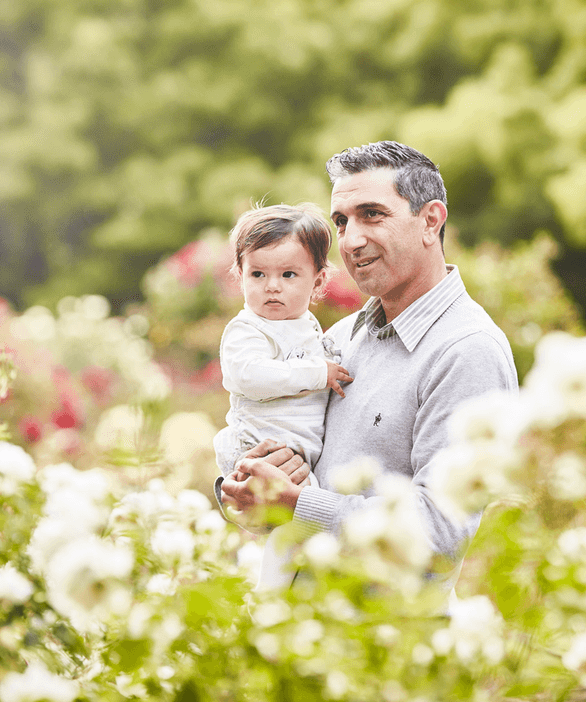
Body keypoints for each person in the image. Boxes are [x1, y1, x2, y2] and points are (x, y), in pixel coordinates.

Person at [220, 140, 518, 599]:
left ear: (430, 221)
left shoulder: (467, 352)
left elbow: (441, 534)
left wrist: (297, 504)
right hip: (295, 637)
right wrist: (241, 485)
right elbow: (270, 445)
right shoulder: (339, 340)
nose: (351, 240)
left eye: (372, 214)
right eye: (341, 221)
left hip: (383, 653)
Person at [213, 203, 354, 588]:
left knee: (307, 528)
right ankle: (270, 603)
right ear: (239, 275)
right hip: (261, 445)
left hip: (296, 453)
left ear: (319, 280)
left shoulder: (309, 328)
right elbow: (248, 376)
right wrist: (316, 373)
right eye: (258, 273)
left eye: (289, 274)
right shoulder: (248, 329)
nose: (272, 286)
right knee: (292, 530)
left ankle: (289, 599)